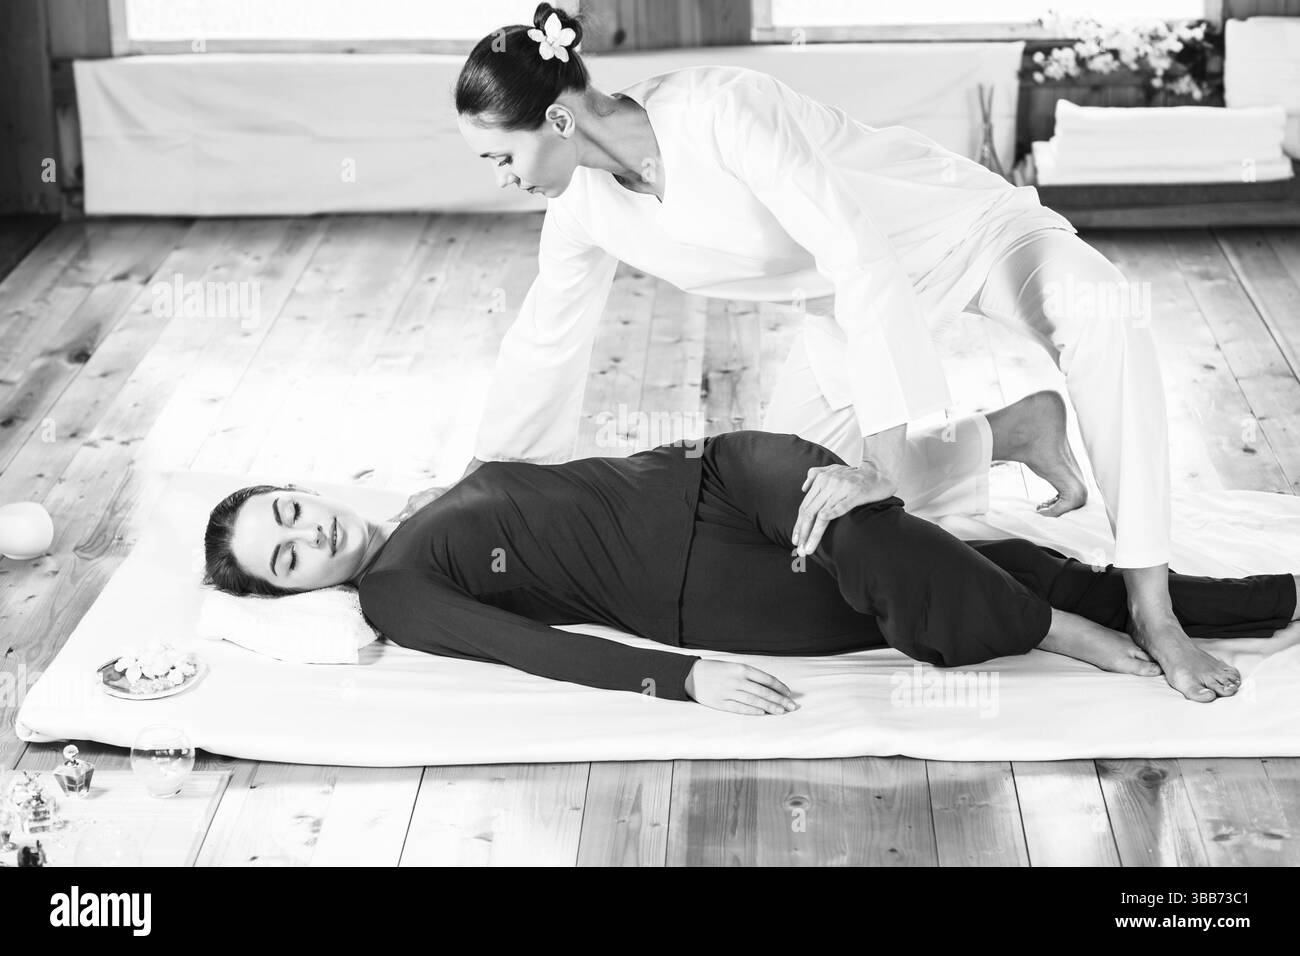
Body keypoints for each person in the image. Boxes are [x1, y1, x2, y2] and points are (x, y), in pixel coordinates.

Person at [452, 5, 1228, 701]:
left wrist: (883, 461)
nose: (503, 181)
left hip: (966, 235)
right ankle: (1013, 434)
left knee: (1107, 317)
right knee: (806, 525)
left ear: (556, 120)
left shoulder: (720, 109)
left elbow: (859, 252)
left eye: (500, 157)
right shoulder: (582, 210)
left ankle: (1152, 607)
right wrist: (479, 489)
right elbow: (543, 345)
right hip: (844, 314)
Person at [202, 428, 1298, 717]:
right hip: (705, 590)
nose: (311, 537)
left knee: (866, 518)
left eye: (289, 512)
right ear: (290, 591)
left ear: (301, 484)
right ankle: (1244, 607)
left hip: (729, 468)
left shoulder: (410, 489)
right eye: (285, 558)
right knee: (974, 559)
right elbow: (532, 649)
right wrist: (678, 678)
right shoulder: (394, 588)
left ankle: (1051, 621)